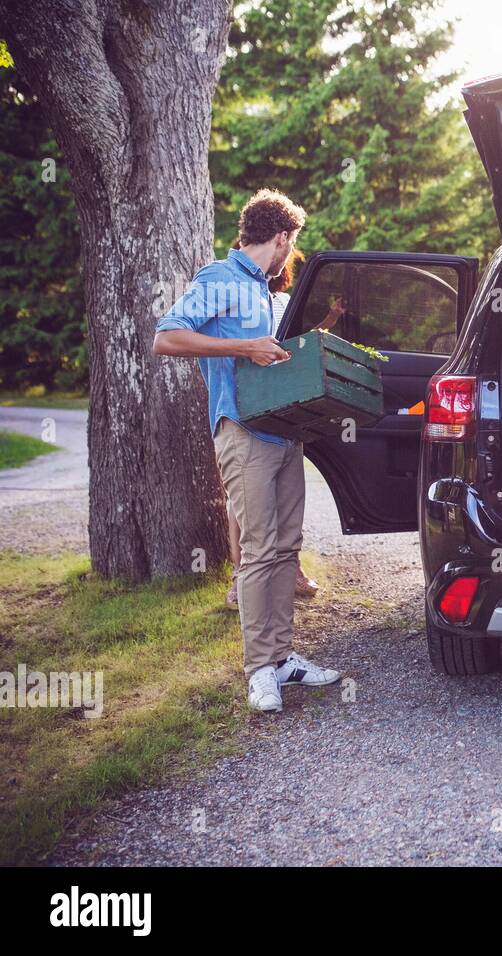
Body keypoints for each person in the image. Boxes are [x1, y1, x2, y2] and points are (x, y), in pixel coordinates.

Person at [154, 189, 340, 713]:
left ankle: (282, 658)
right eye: (293, 243)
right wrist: (244, 346)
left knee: (285, 547)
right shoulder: (221, 279)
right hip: (242, 431)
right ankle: (259, 669)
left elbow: (271, 357)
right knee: (258, 551)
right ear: (282, 237)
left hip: (284, 433)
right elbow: (166, 338)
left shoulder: (263, 289)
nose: (291, 254)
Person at [222, 245, 341, 608]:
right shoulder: (232, 292)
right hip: (246, 402)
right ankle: (238, 578)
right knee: (240, 501)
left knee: (287, 494)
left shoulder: (285, 301)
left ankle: (292, 571)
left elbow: (298, 340)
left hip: (284, 404)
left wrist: (329, 321)